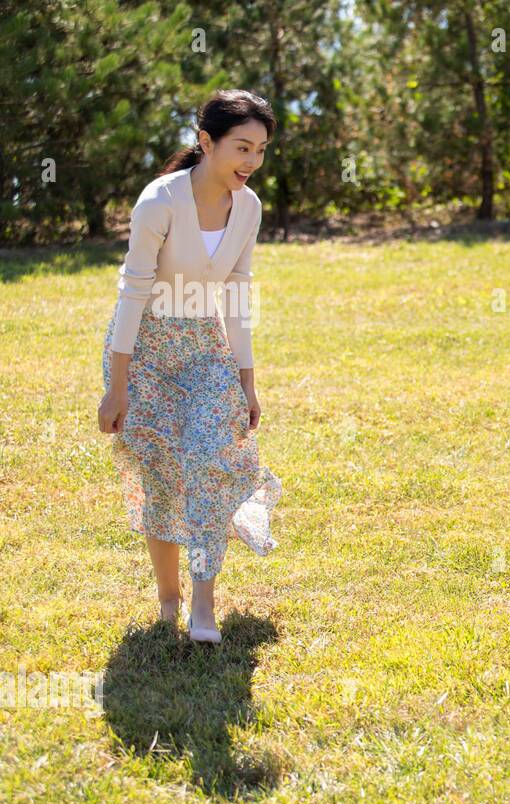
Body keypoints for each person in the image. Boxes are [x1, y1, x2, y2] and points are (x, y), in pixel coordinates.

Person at [96, 90, 282, 644]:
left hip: (205, 349)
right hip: (146, 351)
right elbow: (133, 293)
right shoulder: (160, 201)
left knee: (207, 462)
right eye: (241, 147)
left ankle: (204, 602)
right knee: (160, 478)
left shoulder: (247, 208)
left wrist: (247, 381)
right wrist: (117, 385)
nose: (251, 162)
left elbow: (239, 292)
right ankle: (167, 601)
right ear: (206, 142)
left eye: (261, 150)